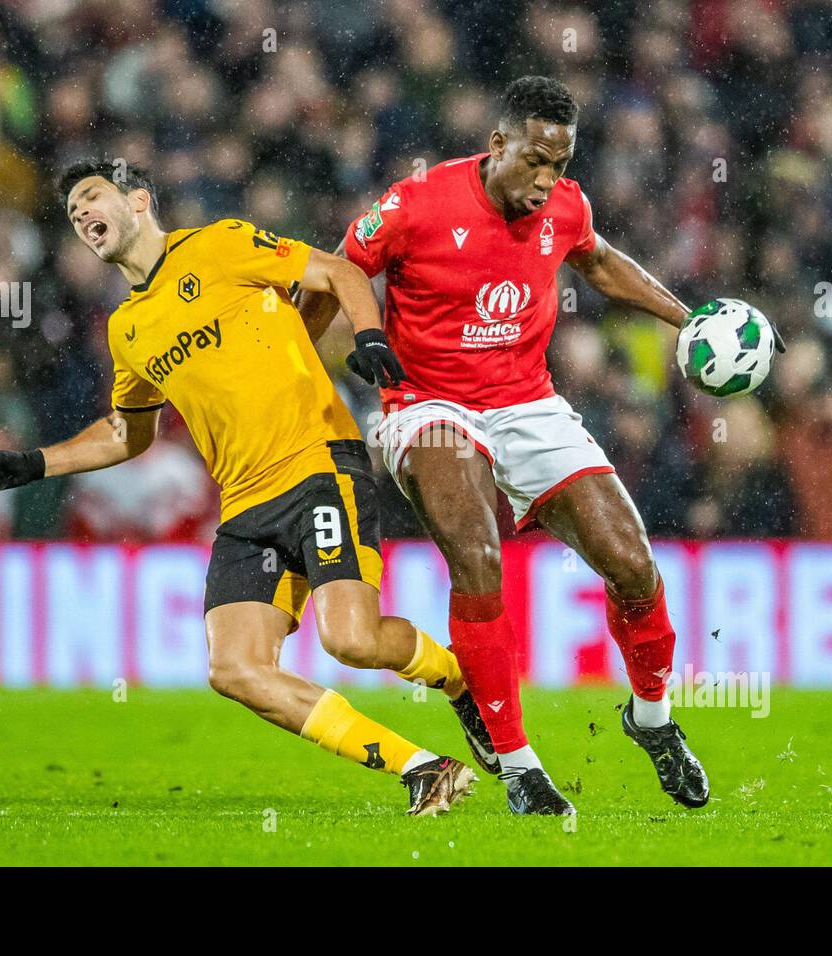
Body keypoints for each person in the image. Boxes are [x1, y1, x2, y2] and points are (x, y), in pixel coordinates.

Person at [0, 160, 495, 816]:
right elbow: (128, 433)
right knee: (234, 670)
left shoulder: (218, 244)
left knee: (350, 640)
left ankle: (456, 679)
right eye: (72, 213)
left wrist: (367, 338)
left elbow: (338, 271)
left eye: (90, 198)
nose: (81, 216)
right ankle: (422, 768)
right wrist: (36, 463)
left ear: (138, 200)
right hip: (245, 502)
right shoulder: (128, 329)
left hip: (316, 463)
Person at [300, 77, 735, 814]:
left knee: (632, 562)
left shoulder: (565, 207)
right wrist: (309, 367)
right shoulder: (414, 204)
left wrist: (687, 319)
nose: (545, 181)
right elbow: (333, 272)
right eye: (533, 160)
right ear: (496, 145)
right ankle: (520, 762)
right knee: (478, 555)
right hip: (427, 403)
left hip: (528, 402)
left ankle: (653, 720)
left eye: (558, 166)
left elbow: (597, 262)